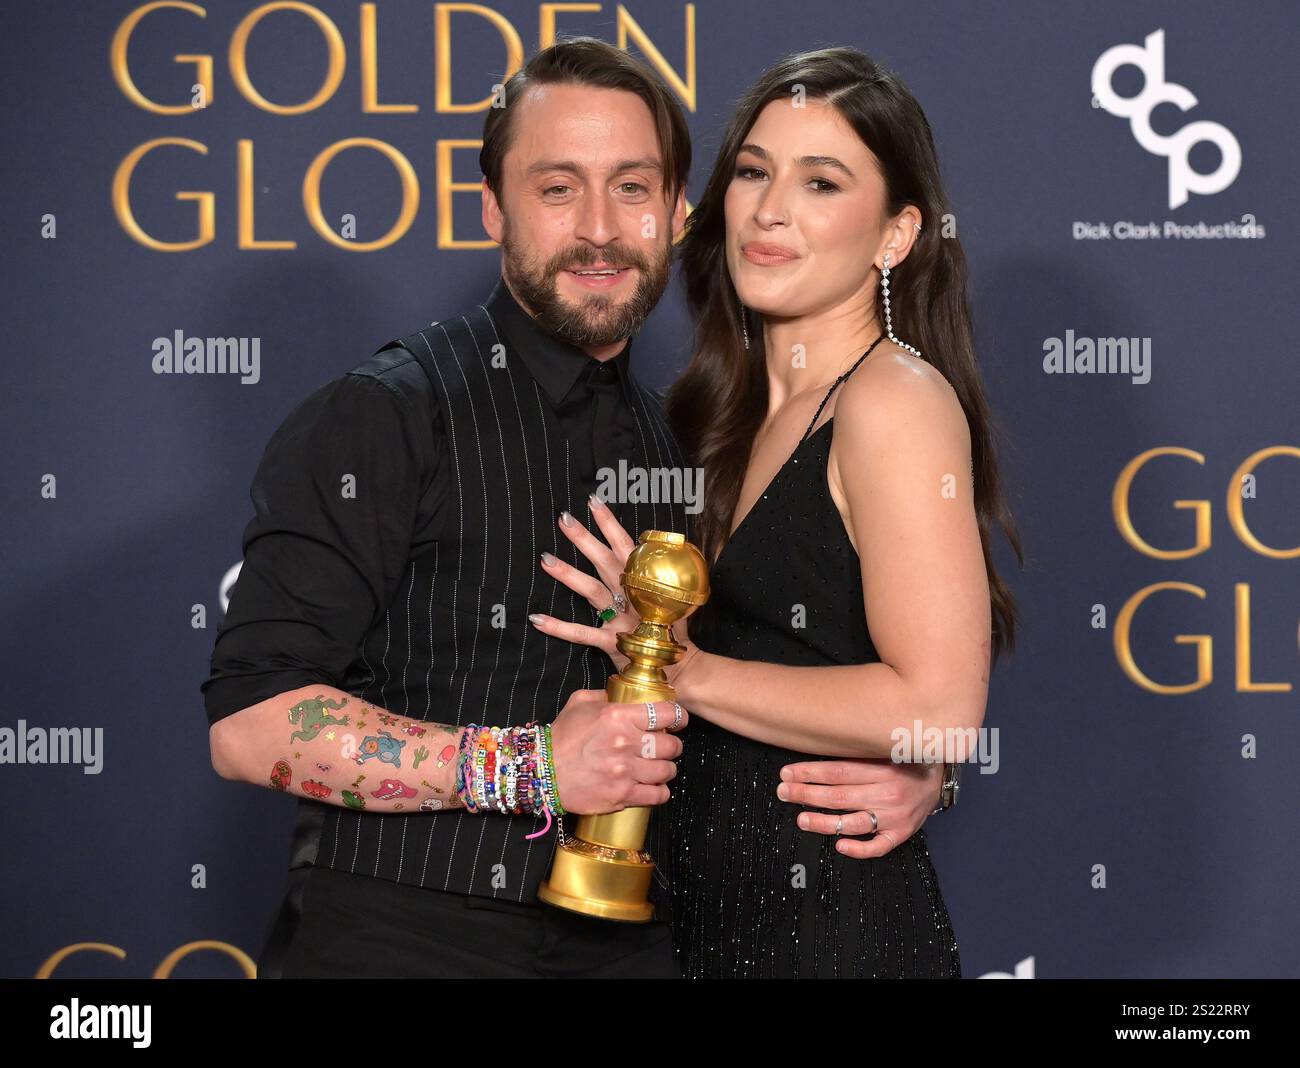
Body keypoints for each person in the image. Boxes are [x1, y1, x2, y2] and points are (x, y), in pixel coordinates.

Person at [202, 38, 949, 979]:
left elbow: (743, 679)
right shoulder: (388, 414)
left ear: (677, 214)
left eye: (632, 188)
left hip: (642, 942)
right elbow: (252, 723)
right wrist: (530, 767)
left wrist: (915, 769)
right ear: (493, 208)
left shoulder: (686, 441)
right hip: (402, 936)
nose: (599, 228)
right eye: (559, 189)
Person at [530, 46, 1022, 977]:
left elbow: (943, 707)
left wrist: (680, 667)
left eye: (822, 182)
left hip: (828, 931)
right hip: (700, 921)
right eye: (754, 171)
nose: (770, 208)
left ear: (896, 234)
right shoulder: (714, 409)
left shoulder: (891, 400)